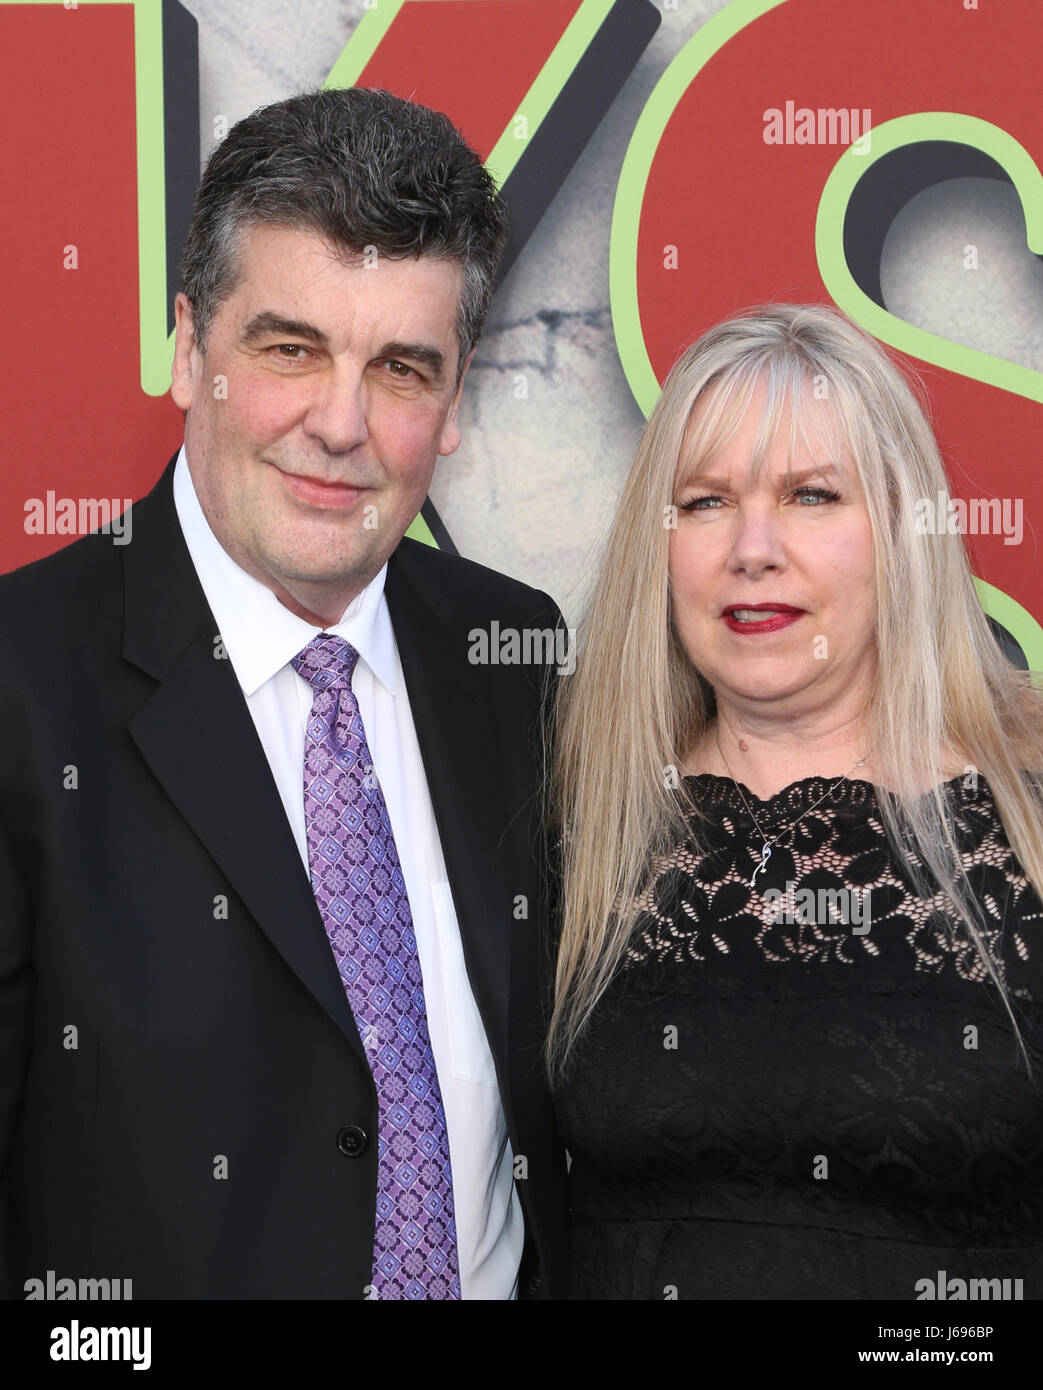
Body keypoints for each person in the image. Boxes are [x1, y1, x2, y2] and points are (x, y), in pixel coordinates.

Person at [0, 87, 567, 1301]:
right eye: (289, 348)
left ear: (454, 402)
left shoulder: (511, 654)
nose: (340, 423)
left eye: (402, 368)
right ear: (185, 347)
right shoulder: (19, 681)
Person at [548, 303, 1043, 1300]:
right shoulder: (575, 809)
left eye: (811, 495)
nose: (753, 547)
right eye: (703, 502)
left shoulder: (1025, 815)